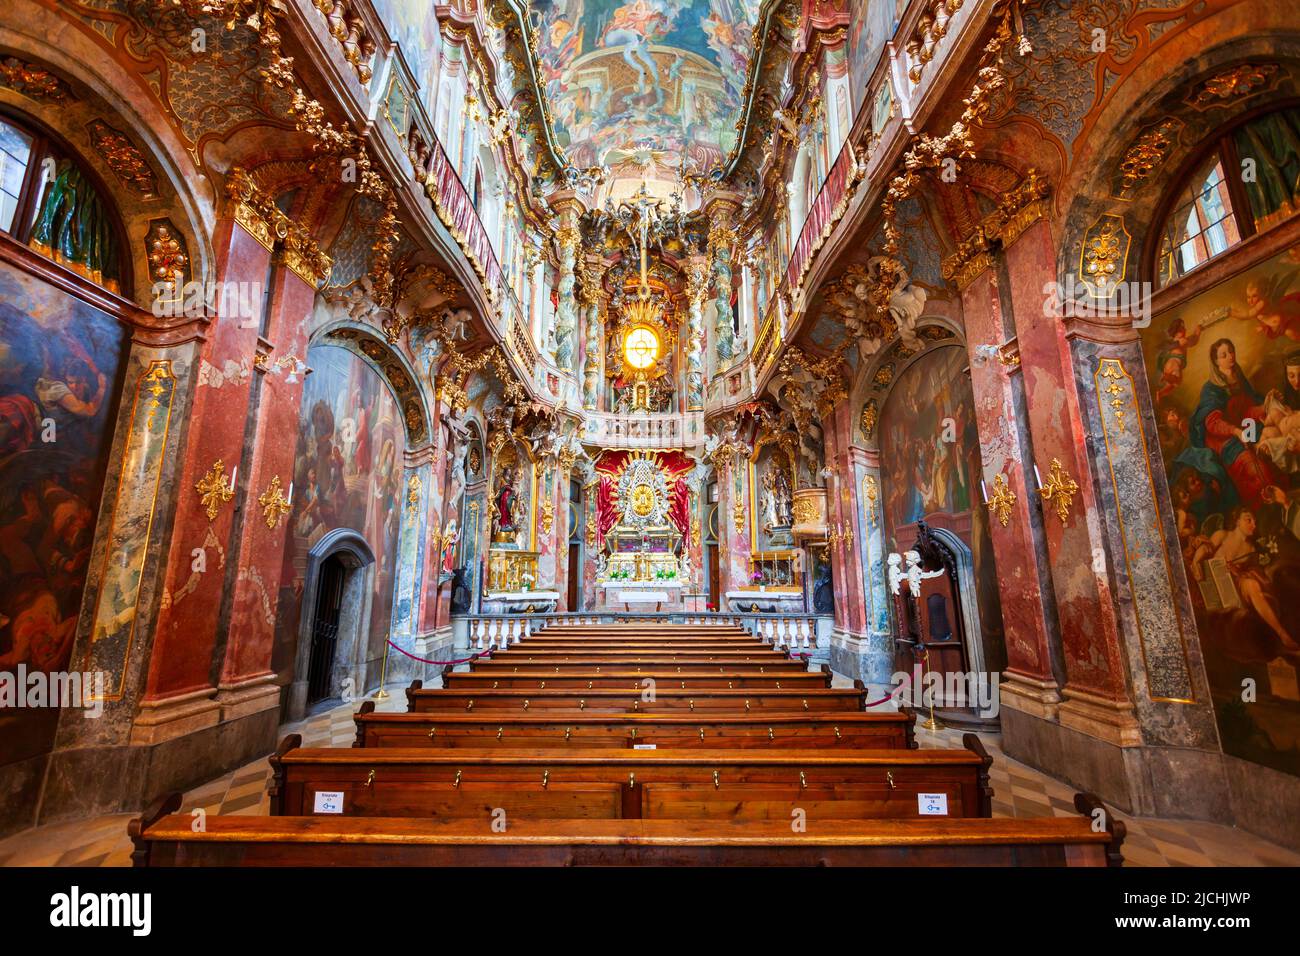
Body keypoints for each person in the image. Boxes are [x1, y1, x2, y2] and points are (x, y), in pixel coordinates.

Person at [1185, 338, 1283, 510]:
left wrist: (1265, 404)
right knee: (1254, 466)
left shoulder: (1238, 376)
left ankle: (1285, 499)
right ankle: (1266, 510)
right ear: (1216, 361)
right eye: (1224, 355)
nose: (1230, 356)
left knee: (1274, 438)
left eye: (1231, 351)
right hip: (1224, 438)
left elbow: (1246, 410)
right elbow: (1213, 424)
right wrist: (1237, 432)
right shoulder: (1211, 389)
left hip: (1244, 426)